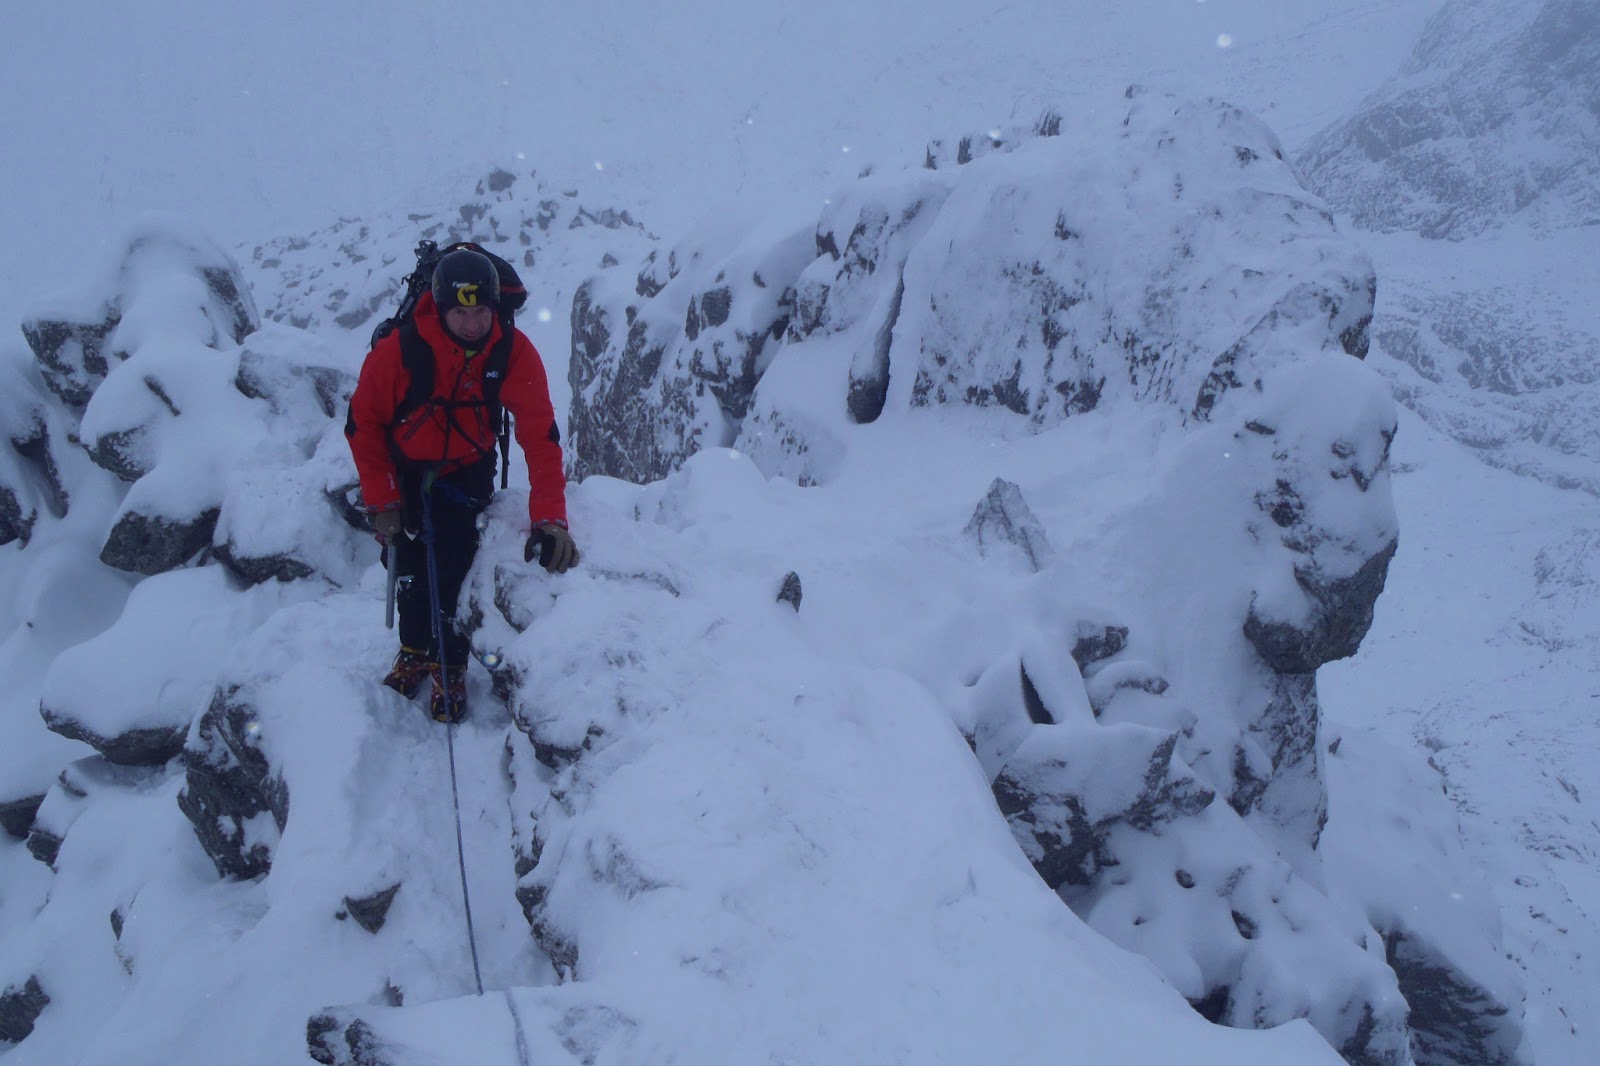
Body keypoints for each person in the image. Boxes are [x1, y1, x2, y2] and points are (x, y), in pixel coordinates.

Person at [346, 246, 578, 722]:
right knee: (407, 565)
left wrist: (551, 518)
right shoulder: (403, 349)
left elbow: (541, 436)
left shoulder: (511, 352)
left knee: (455, 566)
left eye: (480, 312)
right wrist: (384, 502)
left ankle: (450, 664)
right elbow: (363, 424)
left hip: (466, 472)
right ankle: (413, 648)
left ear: (494, 308)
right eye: (459, 312)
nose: (472, 323)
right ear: (441, 307)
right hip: (404, 474)